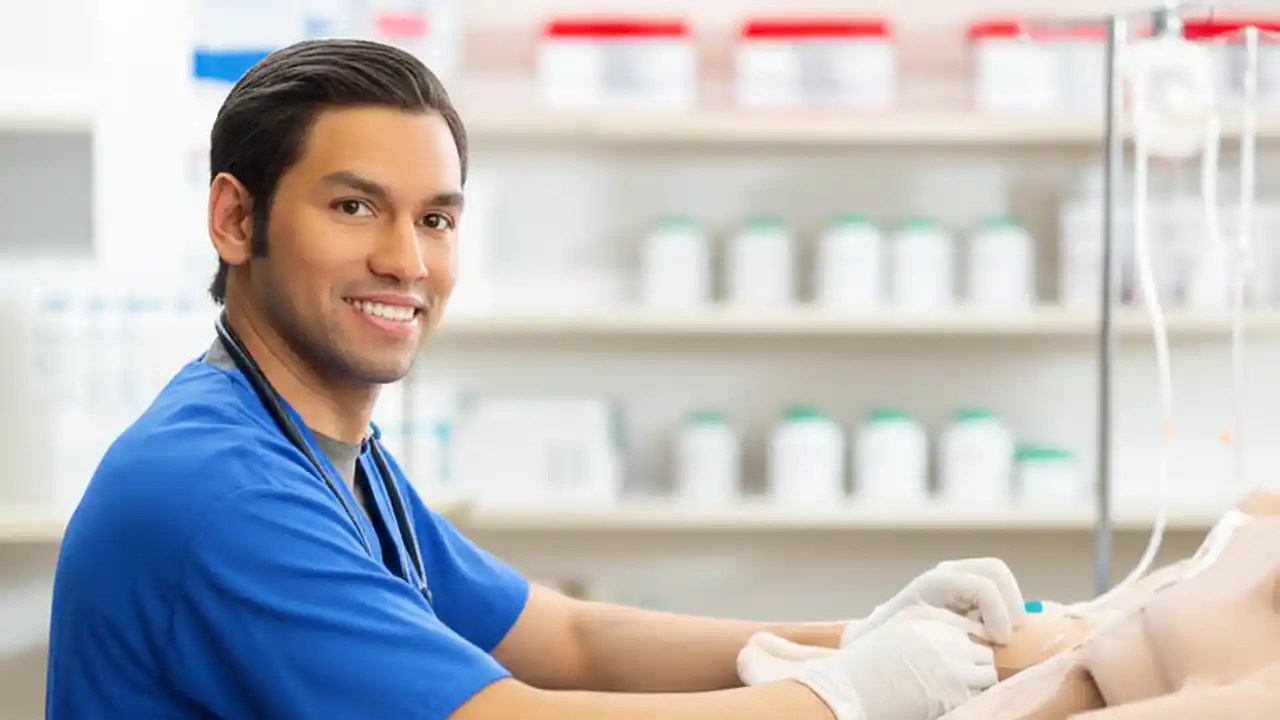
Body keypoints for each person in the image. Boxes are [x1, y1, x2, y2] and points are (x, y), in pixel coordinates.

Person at [45, 39, 1027, 719]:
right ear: (235, 220)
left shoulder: (328, 457)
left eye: (435, 219)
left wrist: (855, 633)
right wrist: (849, 696)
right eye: (354, 208)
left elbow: (569, 640)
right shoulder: (219, 493)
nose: (406, 261)